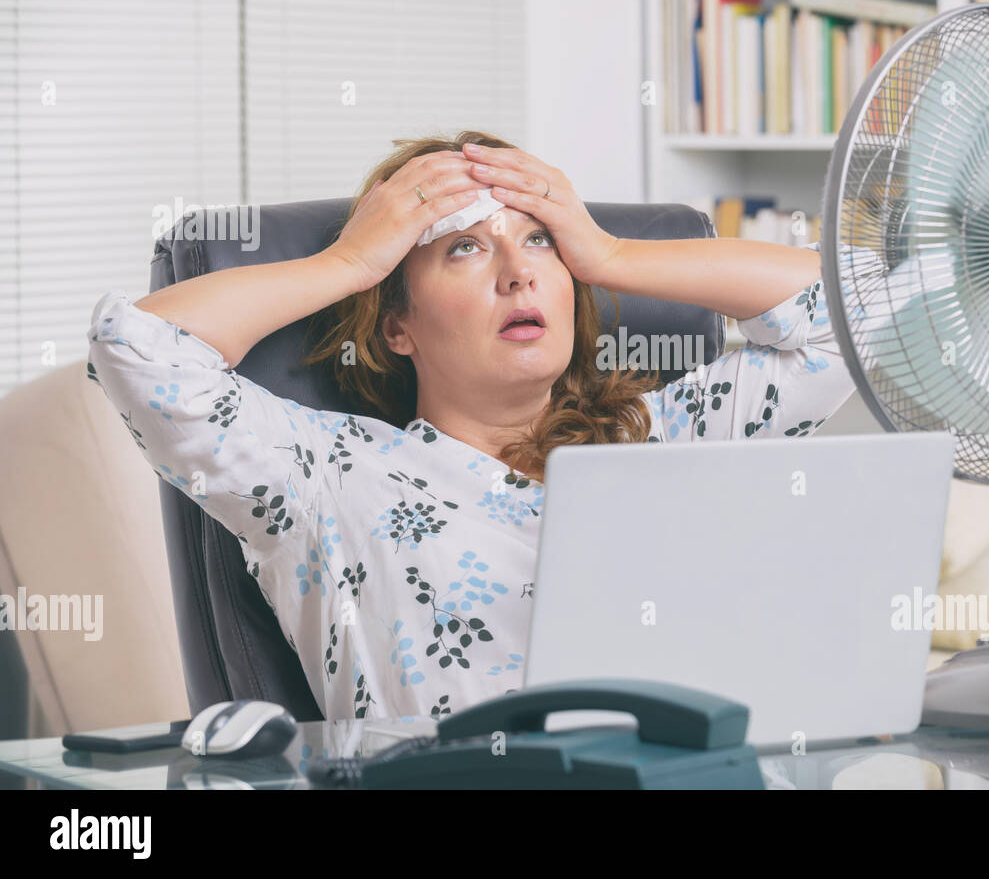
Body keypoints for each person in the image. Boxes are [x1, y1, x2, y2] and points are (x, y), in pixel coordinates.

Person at [85, 130, 860, 720]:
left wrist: (608, 249)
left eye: (537, 241)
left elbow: (858, 319)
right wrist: (352, 263)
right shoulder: (323, 476)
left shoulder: (663, 435)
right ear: (397, 327)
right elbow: (137, 350)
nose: (518, 271)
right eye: (464, 248)